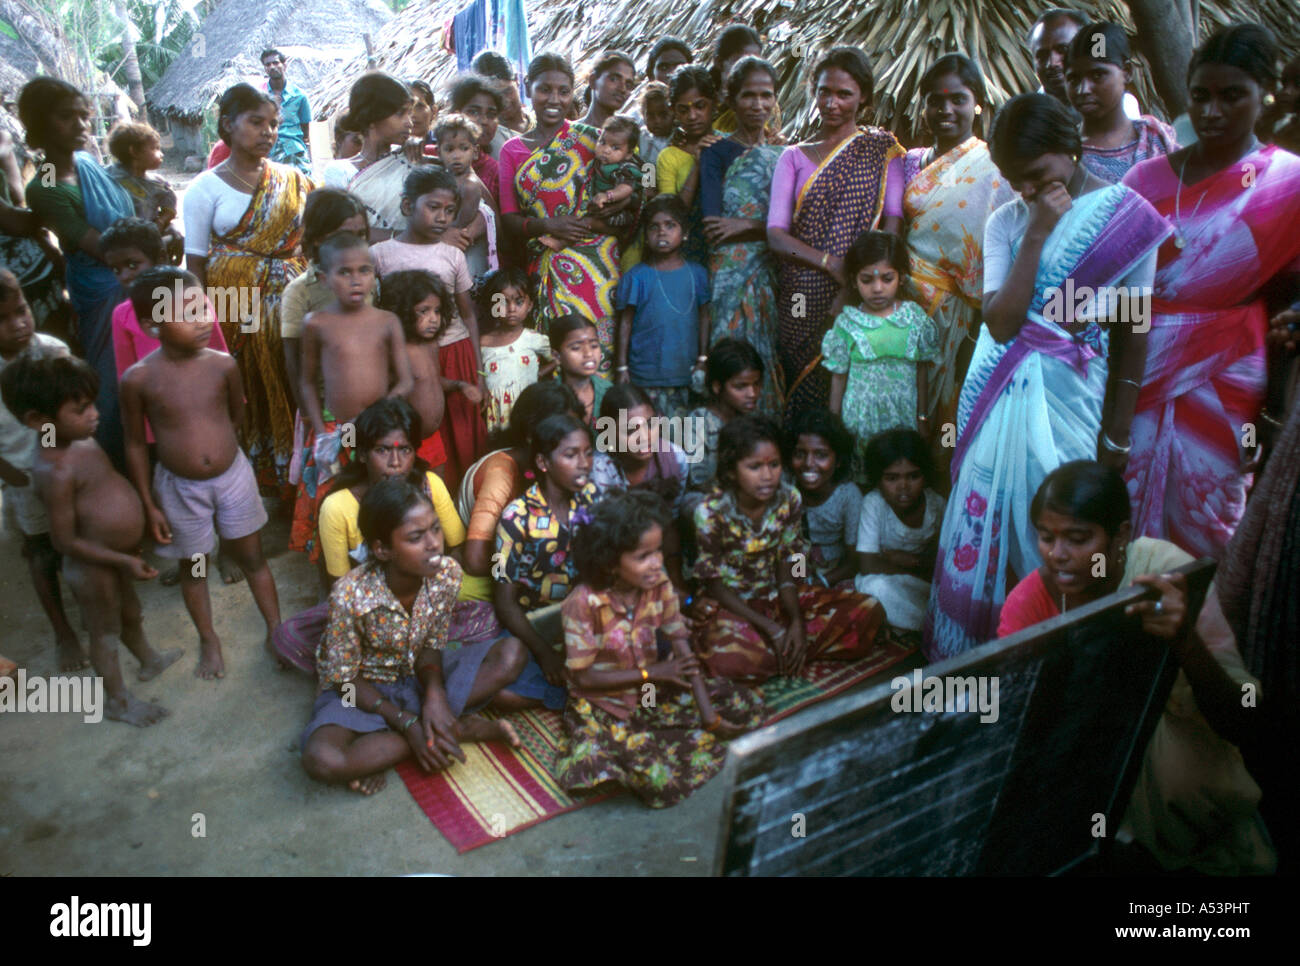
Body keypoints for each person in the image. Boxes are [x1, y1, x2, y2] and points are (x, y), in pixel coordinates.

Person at [924, 93, 1170, 661]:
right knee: (989, 522)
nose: (1026, 190)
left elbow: (1133, 332)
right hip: (995, 386)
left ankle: (1057, 662)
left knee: (1060, 529)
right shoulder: (1006, 222)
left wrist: (1117, 434)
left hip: (1074, 395)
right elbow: (1004, 323)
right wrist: (1036, 229)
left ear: (1069, 149)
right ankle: (987, 658)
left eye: (1035, 175)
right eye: (1014, 179)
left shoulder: (1126, 219)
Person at [996, 460, 1273, 875]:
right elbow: (1014, 732)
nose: (1058, 556)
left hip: (1182, 794)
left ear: (1120, 535)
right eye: (1046, 537)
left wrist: (1185, 642)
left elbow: (1243, 719)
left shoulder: (1164, 575)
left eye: (1077, 538)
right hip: (1079, 783)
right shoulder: (1028, 606)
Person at [1122, 24, 1300, 559]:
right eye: (1201, 96)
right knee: (1127, 501)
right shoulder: (1143, 180)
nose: (1212, 111)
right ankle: (1131, 623)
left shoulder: (1288, 183)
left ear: (1262, 95)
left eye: (1231, 96)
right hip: (1139, 363)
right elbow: (1112, 286)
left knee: (1213, 510)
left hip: (1230, 369)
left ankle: (1199, 628)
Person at [299, 478, 526, 796]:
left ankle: (409, 738)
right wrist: (407, 723)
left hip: (418, 675)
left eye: (435, 528)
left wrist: (435, 695)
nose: (434, 543)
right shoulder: (349, 595)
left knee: (511, 653)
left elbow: (432, 645)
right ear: (382, 549)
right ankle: (452, 729)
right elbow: (344, 680)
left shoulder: (447, 573)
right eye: (416, 537)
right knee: (322, 759)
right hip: (363, 689)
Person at [1, 354, 181, 725]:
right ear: (38, 420)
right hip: (92, 567)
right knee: (105, 633)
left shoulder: (77, 439)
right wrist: (123, 561)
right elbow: (65, 542)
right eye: (81, 409)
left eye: (93, 404)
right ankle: (117, 701)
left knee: (130, 611)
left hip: (114, 555)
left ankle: (149, 660)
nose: (95, 414)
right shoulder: (53, 468)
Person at [554, 489, 764, 807]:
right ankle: (616, 750)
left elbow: (681, 646)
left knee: (742, 702)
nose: (656, 564)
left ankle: (656, 732)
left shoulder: (659, 585)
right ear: (610, 563)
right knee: (660, 781)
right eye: (643, 556)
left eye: (658, 551)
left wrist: (711, 718)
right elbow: (582, 681)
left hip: (650, 692)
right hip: (603, 706)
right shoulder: (582, 604)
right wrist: (652, 672)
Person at [120, 268, 281, 680]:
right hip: (180, 489)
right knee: (196, 566)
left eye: (202, 307)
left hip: (233, 478)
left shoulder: (223, 365)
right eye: (187, 312)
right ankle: (209, 639)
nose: (203, 319)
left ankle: (277, 631)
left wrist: (222, 453)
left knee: (252, 556)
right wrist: (148, 502)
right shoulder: (138, 380)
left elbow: (235, 416)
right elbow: (136, 444)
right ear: (151, 324)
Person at [184, 83, 312, 495]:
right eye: (256, 122)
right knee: (251, 383)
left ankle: (304, 474)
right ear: (227, 125)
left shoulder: (293, 179)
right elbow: (196, 262)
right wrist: (201, 318)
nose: (268, 132)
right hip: (235, 303)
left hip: (292, 298)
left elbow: (313, 239)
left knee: (296, 376)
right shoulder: (205, 187)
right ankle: (263, 478)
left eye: (274, 124)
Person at [692, 415, 885, 682]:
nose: (768, 476)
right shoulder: (709, 512)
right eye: (755, 467)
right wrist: (772, 628)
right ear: (730, 470)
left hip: (778, 599)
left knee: (869, 610)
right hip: (734, 608)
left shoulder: (788, 498)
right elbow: (713, 586)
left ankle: (784, 651)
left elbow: (788, 566)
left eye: (774, 464)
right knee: (726, 659)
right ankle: (784, 650)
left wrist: (794, 622)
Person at [768, 47, 905, 422]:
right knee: (800, 379)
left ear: (863, 97)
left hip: (861, 291)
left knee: (852, 385)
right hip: (800, 290)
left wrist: (854, 282)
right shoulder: (793, 156)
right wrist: (831, 265)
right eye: (824, 91)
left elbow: (892, 224)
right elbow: (776, 235)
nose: (832, 103)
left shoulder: (881, 150)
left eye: (844, 94)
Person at [902, 53, 1015, 477]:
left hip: (960, 318)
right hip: (901, 308)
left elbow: (998, 248)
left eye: (958, 100)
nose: (945, 110)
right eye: (935, 100)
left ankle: (942, 511)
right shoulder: (909, 161)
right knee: (902, 413)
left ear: (979, 104)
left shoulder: (995, 167)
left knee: (948, 421)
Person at [19, 77, 135, 467]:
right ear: (39, 124)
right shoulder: (47, 183)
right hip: (101, 287)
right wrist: (148, 233)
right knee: (110, 377)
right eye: (66, 117)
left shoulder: (87, 164)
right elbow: (101, 248)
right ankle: (112, 466)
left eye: (84, 116)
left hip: (131, 272)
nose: (81, 126)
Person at [292, 231, 414, 553]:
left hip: (377, 432)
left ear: (375, 274)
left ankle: (381, 558)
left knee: (378, 496)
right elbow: (306, 381)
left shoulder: (387, 322)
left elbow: (405, 381)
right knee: (335, 497)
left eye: (364, 270)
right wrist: (320, 433)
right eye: (344, 272)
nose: (356, 280)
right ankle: (333, 576)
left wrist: (378, 416)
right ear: (323, 278)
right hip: (340, 430)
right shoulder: (316, 323)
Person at [499, 53, 622, 364]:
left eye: (563, 91)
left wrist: (594, 221)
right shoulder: (511, 151)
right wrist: (549, 226)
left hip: (600, 270)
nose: (554, 99)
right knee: (558, 361)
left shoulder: (593, 140)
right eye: (544, 90)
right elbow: (510, 219)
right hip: (546, 269)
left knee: (598, 358)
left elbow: (641, 182)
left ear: (573, 92)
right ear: (527, 87)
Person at [370, 166, 488, 483]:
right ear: (408, 206)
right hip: (409, 362)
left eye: (450, 210)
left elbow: (468, 314)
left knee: (461, 437)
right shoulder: (380, 255)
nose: (442, 218)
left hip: (454, 353)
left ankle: (458, 503)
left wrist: (479, 372)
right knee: (419, 432)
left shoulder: (452, 256)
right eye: (433, 207)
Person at [0, 270, 83, 671]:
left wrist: (63, 458)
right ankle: (63, 632)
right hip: (22, 478)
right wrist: (9, 473)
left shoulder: (52, 352)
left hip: (66, 468)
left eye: (21, 311)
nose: (18, 324)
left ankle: (99, 611)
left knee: (80, 540)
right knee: (41, 551)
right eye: (3, 319)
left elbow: (76, 407)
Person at [701, 56, 784, 417]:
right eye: (748, 95)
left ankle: (765, 444)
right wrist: (768, 228)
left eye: (766, 95)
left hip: (771, 273)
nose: (758, 104)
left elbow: (794, 222)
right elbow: (713, 225)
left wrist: (749, 227)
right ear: (731, 99)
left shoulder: (786, 155)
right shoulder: (715, 153)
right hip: (728, 275)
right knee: (729, 352)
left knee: (768, 353)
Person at [493, 412, 597, 686]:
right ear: (543, 462)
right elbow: (504, 601)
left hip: (581, 614)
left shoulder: (591, 499)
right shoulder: (516, 518)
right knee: (510, 679)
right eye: (571, 455)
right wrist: (543, 652)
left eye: (588, 453)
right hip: (534, 625)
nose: (584, 464)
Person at [280, 188, 371, 483]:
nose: (354, 243)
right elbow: (292, 359)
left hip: (367, 402)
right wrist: (309, 415)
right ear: (318, 238)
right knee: (334, 477)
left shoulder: (369, 281)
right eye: (345, 234)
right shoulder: (300, 292)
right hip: (325, 411)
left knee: (363, 469)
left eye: (361, 234)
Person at [457, 381, 583, 591]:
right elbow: (475, 560)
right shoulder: (501, 473)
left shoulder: (560, 467)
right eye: (559, 436)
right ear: (531, 435)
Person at [825, 230, 938, 458]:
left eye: (887, 279)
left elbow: (922, 370)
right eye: (867, 280)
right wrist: (834, 424)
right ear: (855, 281)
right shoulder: (847, 324)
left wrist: (923, 417)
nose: (877, 288)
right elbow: (839, 377)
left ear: (902, 277)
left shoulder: (915, 319)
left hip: (903, 417)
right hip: (860, 420)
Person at [105, 218, 229, 398]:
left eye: (132, 265)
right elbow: (126, 375)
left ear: (161, 257)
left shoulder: (194, 301)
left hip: (205, 400)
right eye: (116, 270)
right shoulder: (122, 315)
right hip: (157, 411)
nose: (124, 276)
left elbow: (219, 352)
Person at [614, 194, 709, 419]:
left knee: (681, 437)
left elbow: (705, 317)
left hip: (684, 374)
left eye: (670, 225)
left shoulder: (698, 274)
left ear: (684, 233)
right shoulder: (636, 277)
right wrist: (621, 367)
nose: (662, 232)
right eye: (654, 227)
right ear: (646, 237)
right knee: (647, 436)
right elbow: (625, 322)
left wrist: (703, 359)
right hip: (644, 375)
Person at [590, 384, 690, 585]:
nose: (644, 438)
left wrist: (676, 583)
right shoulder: (600, 469)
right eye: (630, 430)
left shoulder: (676, 459)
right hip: (615, 561)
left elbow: (671, 523)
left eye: (651, 425)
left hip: (657, 553)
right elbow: (603, 539)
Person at [855, 428, 945, 632]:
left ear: (925, 476)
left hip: (921, 582)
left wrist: (913, 562)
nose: (903, 486)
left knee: (943, 596)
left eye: (913, 476)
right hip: (887, 579)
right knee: (875, 588)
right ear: (878, 480)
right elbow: (867, 564)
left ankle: (913, 624)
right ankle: (927, 626)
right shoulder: (874, 504)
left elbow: (941, 559)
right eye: (892, 478)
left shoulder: (936, 505)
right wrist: (909, 569)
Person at [1066, 23, 1176, 184]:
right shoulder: (1065, 156)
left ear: (1127, 72)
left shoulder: (1158, 138)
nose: (1083, 89)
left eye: (1097, 75)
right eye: (1073, 79)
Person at [320, 73, 417, 242]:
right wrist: (406, 239)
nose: (409, 122)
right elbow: (342, 229)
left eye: (409, 114)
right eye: (401, 114)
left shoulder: (409, 159)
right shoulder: (340, 171)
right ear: (372, 118)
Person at [0, 129, 72, 344]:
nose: (80, 124)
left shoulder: (55, 164)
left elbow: (20, 196)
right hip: (20, 283)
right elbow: (20, 214)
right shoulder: (49, 166)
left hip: (38, 270)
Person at [375, 269, 450, 474]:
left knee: (436, 493)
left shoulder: (431, 344)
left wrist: (460, 385)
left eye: (437, 311)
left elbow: (432, 380)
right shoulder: (397, 351)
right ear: (403, 312)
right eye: (423, 311)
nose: (433, 319)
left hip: (434, 438)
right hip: (407, 442)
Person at [683, 337, 763, 516]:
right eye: (740, 386)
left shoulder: (755, 421)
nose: (752, 393)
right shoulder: (698, 422)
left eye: (756, 384)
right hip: (715, 502)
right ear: (717, 387)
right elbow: (699, 481)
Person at [653, 66, 721, 266]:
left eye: (700, 106)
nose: (692, 116)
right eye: (683, 110)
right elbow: (672, 214)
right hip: (688, 252)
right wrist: (699, 165)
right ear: (673, 111)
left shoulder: (727, 144)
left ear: (714, 104)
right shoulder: (668, 156)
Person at [787, 409, 860, 588]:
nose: (809, 463)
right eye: (800, 454)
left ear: (839, 460)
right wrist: (802, 582)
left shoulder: (847, 496)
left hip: (835, 574)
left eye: (821, 455)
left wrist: (822, 582)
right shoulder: (787, 489)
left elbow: (854, 561)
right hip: (795, 568)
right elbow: (791, 548)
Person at [478, 267, 554, 434]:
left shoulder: (533, 338)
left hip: (528, 409)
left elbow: (558, 358)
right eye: (503, 302)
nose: (511, 308)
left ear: (529, 306)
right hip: (496, 414)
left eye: (519, 302)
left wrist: (539, 374)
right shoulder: (482, 342)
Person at [104, 122, 181, 260]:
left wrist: (161, 222)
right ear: (134, 151)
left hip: (149, 241)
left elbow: (169, 207)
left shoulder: (158, 184)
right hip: (118, 243)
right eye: (155, 148)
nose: (161, 154)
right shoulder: (106, 177)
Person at [709, 25, 782, 140]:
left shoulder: (766, 104)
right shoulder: (702, 100)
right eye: (740, 62)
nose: (748, 70)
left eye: (754, 62)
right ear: (719, 62)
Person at [579, 115, 644, 238]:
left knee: (584, 222)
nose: (606, 150)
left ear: (629, 153)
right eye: (602, 142)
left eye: (615, 148)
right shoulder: (599, 161)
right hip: (600, 206)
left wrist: (608, 196)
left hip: (619, 213)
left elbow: (627, 187)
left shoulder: (623, 168)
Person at [445, 73, 504, 208]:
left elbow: (499, 226)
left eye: (491, 115)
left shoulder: (497, 173)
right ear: (454, 113)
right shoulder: (431, 156)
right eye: (473, 112)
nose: (483, 121)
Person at [548, 312, 609, 426]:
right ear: (556, 356)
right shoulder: (548, 399)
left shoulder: (609, 392)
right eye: (576, 348)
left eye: (594, 346)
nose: (589, 353)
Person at [260, 48, 312, 174]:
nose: (272, 67)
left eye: (276, 63)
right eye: (268, 64)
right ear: (265, 69)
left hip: (295, 151)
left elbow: (305, 129)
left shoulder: (299, 96)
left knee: (304, 187)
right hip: (269, 153)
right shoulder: (260, 96)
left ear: (284, 65)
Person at [471, 50, 532, 150]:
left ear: (517, 81)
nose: (504, 101)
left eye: (507, 91)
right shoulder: (486, 138)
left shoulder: (540, 121)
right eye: (495, 96)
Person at [579, 51, 637, 131]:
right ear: (593, 80)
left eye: (628, 85)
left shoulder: (631, 136)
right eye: (614, 79)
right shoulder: (566, 133)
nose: (622, 89)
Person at [638, 83, 674, 166]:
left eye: (663, 115)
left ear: (673, 113)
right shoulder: (642, 135)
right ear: (643, 116)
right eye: (650, 116)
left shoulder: (679, 139)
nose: (657, 121)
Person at [409, 79, 438, 156]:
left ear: (434, 111)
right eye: (406, 108)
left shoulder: (445, 147)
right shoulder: (390, 154)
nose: (413, 114)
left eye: (420, 106)